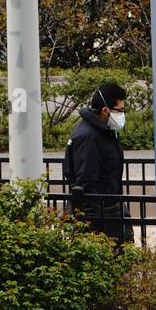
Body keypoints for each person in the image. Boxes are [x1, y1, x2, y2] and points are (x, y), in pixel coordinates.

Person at [64, 82, 130, 242]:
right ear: (105, 110)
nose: (122, 115)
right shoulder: (89, 137)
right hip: (100, 214)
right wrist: (94, 226)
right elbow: (86, 181)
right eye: (120, 110)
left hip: (110, 207)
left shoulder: (105, 131)